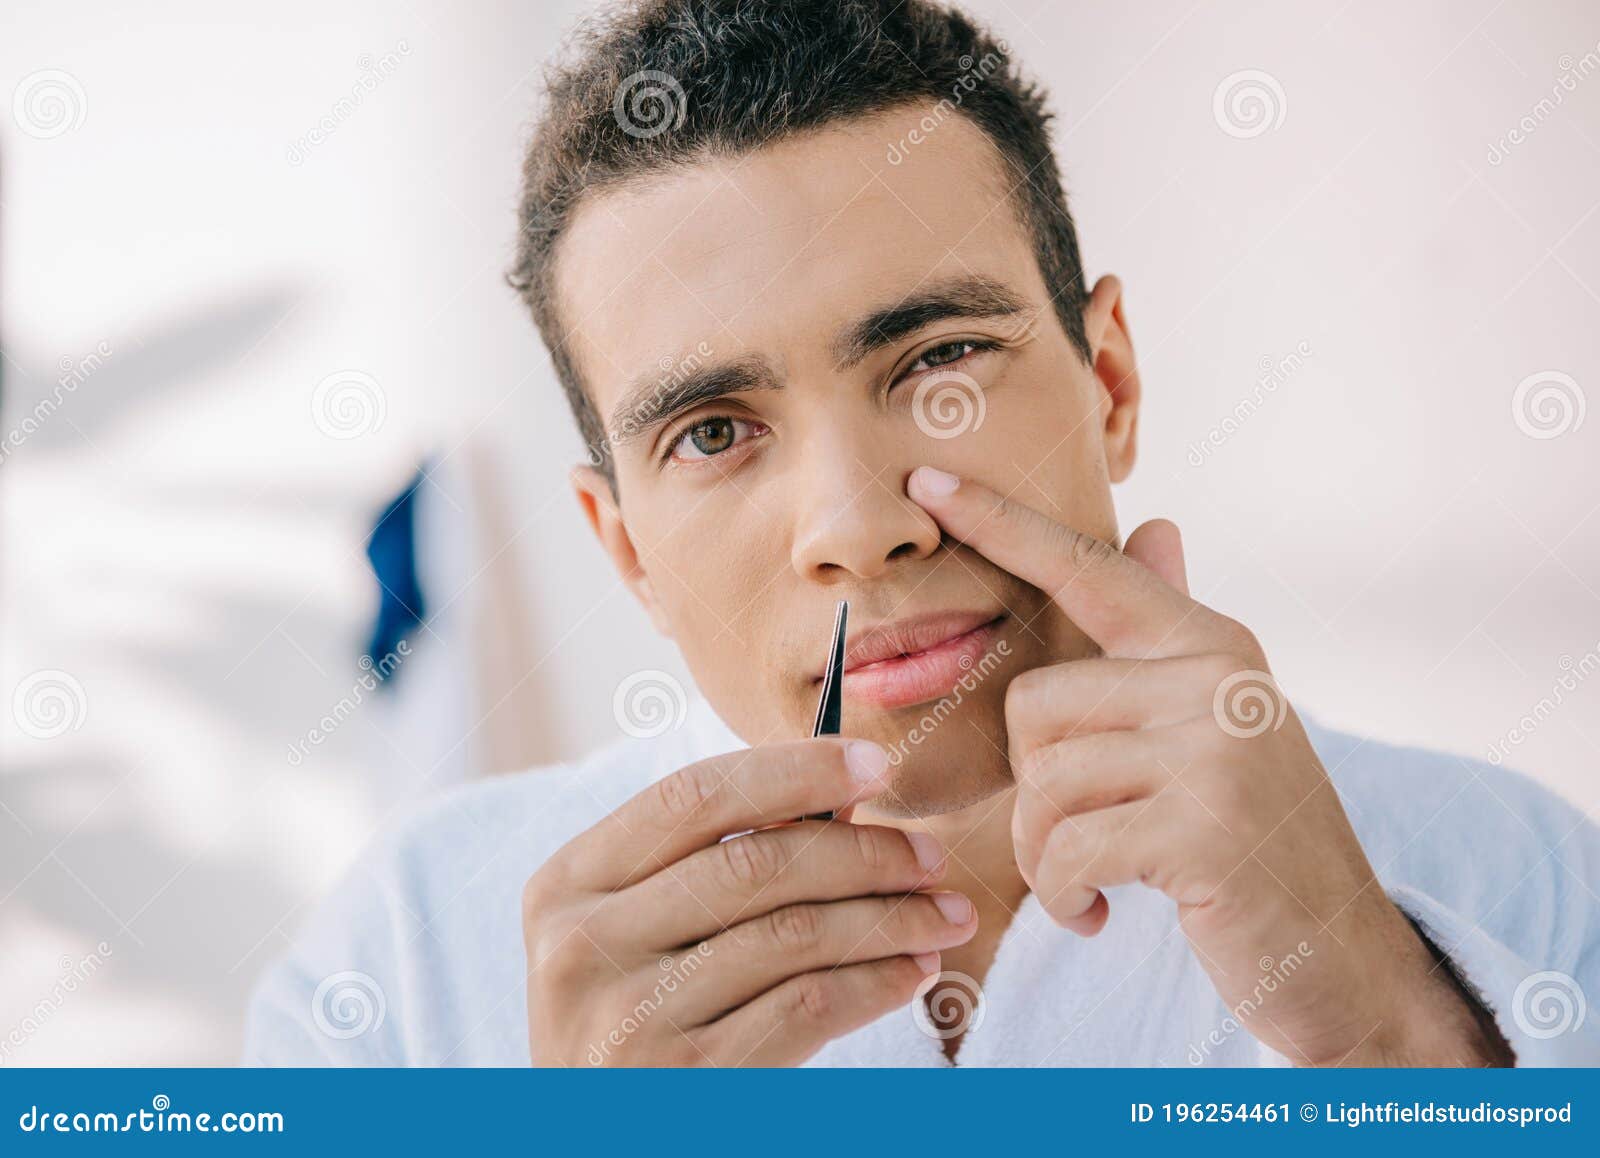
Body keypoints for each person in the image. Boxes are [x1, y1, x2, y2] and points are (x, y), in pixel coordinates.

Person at [245, 0, 1600, 1066]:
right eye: (714, 431)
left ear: (1111, 382)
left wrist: (1400, 1037)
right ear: (628, 551)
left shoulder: (1521, 881)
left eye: (939, 361)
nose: (855, 525)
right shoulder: (403, 968)